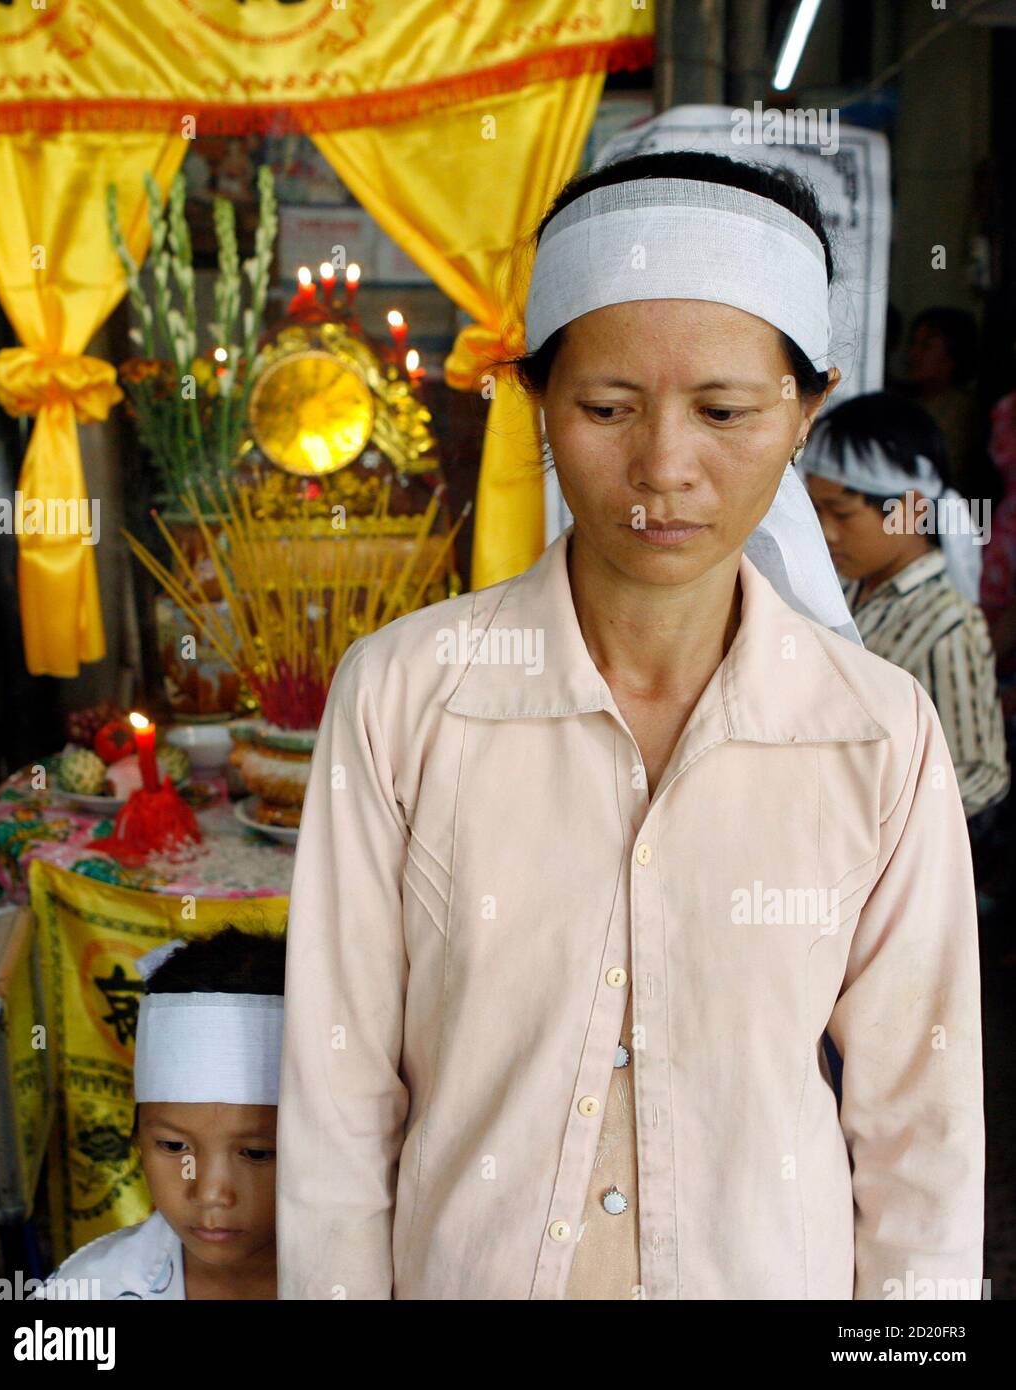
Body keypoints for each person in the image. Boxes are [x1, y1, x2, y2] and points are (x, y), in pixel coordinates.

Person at [278, 151, 986, 1301]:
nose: (663, 467)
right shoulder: (406, 698)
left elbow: (922, 1129)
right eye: (606, 406)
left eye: (724, 410)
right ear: (537, 401)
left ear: (807, 406)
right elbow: (338, 1099)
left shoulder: (871, 735)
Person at [37, 926, 284, 1300]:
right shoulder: (88, 1289)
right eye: (172, 1145)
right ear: (137, 1137)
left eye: (257, 1153)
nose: (211, 1193)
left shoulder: (381, 1281)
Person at [801, 391, 1009, 820]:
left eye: (841, 514)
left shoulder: (949, 623)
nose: (827, 533)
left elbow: (980, 774)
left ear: (910, 510)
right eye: (817, 511)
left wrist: (887, 826)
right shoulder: (843, 589)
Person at [902, 306, 981, 499]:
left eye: (926, 346)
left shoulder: (959, 409)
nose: (914, 354)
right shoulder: (916, 403)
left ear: (954, 355)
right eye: (914, 344)